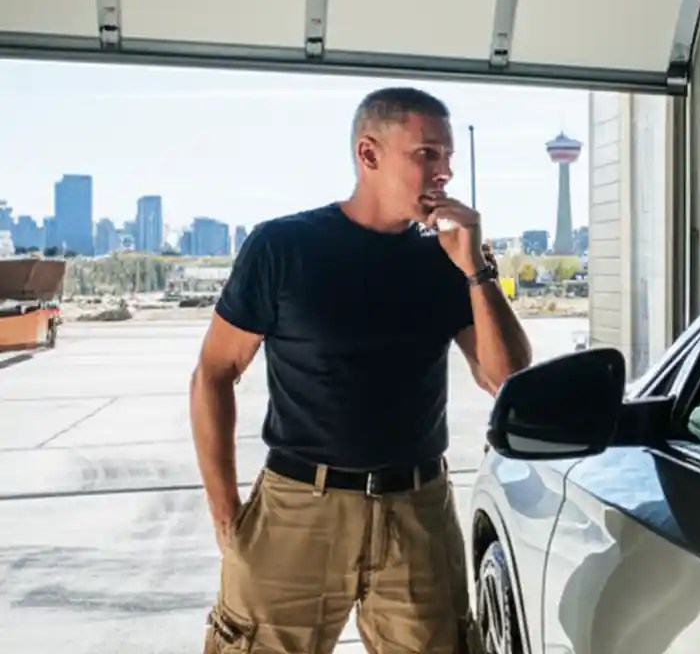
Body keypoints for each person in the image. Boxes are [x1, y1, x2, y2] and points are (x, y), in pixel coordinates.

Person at [189, 87, 532, 653]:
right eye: (427, 154)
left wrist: (475, 269)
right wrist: (226, 511)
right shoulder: (284, 247)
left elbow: (506, 378)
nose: (444, 171)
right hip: (298, 508)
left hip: (417, 510)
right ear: (368, 154)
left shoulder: (447, 259)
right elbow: (214, 372)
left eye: (448, 157)